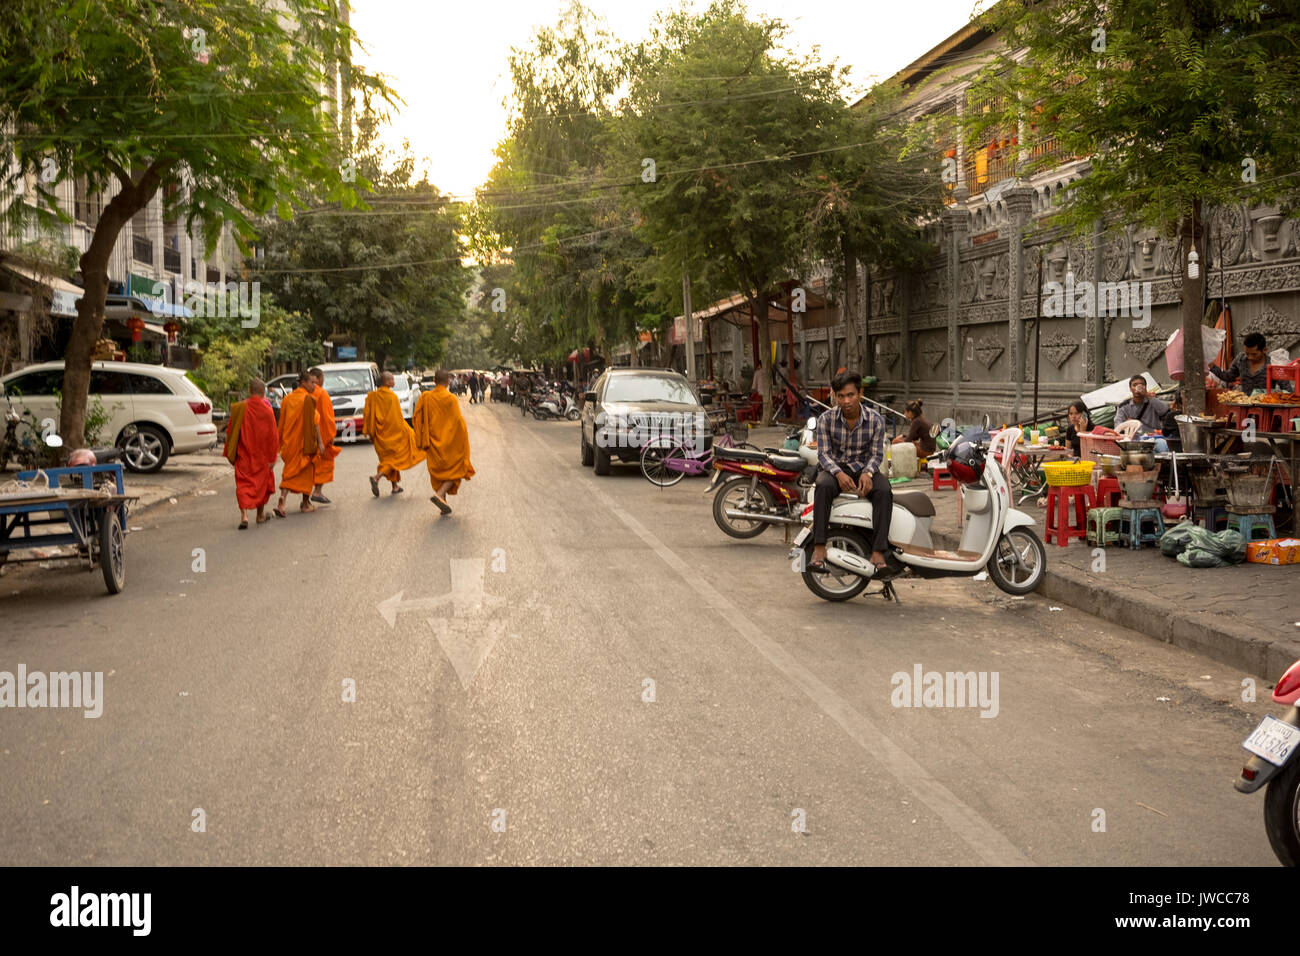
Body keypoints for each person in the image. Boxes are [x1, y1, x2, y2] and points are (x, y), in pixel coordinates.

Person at [810, 371, 892, 573]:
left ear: (860, 394)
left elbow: (876, 454)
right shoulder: (825, 419)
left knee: (884, 491)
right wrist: (838, 473)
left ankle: (878, 551)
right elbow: (824, 454)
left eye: (850, 395)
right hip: (836, 470)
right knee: (822, 485)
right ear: (835, 396)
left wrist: (868, 473)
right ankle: (819, 547)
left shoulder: (876, 420)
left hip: (864, 469)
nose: (846, 401)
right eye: (841, 396)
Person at [412, 369, 476, 515]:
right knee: (459, 468)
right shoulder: (451, 398)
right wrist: (462, 441)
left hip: (433, 442)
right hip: (449, 443)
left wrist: (421, 438)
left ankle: (443, 502)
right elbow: (458, 422)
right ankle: (440, 494)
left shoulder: (426, 397)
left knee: (440, 473)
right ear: (448, 382)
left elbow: (416, 418)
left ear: (434, 381)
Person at [223, 378, 279, 529]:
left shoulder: (239, 408)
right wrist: (273, 457)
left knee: (243, 485)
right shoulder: (267, 410)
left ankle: (244, 516)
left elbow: (231, 433)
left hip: (244, 454)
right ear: (263, 393)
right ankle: (260, 515)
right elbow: (273, 435)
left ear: (249, 391)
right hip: (262, 457)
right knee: (262, 485)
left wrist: (229, 452)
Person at [363, 370, 424, 496]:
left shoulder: (372, 397)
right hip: (393, 434)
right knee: (395, 459)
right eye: (391, 379)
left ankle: (395, 486)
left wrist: (369, 433)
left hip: (379, 436)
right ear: (386, 382)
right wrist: (408, 431)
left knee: (388, 459)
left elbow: (368, 416)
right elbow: (397, 419)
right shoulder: (392, 397)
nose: (393, 381)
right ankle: (376, 477)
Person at [274, 370, 323, 516]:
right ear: (303, 383)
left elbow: (281, 423)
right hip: (305, 443)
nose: (314, 385)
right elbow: (315, 423)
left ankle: (283, 498)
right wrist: (320, 442)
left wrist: (280, 440)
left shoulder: (287, 399)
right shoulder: (308, 399)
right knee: (307, 472)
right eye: (311, 382)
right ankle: (305, 503)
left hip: (290, 442)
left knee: (289, 471)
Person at [1210, 332, 1289, 394]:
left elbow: (1287, 389)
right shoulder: (1240, 359)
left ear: (1264, 350)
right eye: (1247, 353)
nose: (1250, 357)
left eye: (1254, 354)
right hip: (1245, 406)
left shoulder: (1273, 364)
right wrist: (1212, 367)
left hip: (1266, 408)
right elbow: (1229, 377)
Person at [308, 367, 339, 504]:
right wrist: (331, 435)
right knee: (324, 464)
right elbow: (326, 417)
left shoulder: (302, 393)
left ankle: (305, 498)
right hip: (322, 435)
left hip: (305, 436)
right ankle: (317, 491)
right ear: (319, 378)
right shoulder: (322, 394)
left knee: (307, 466)